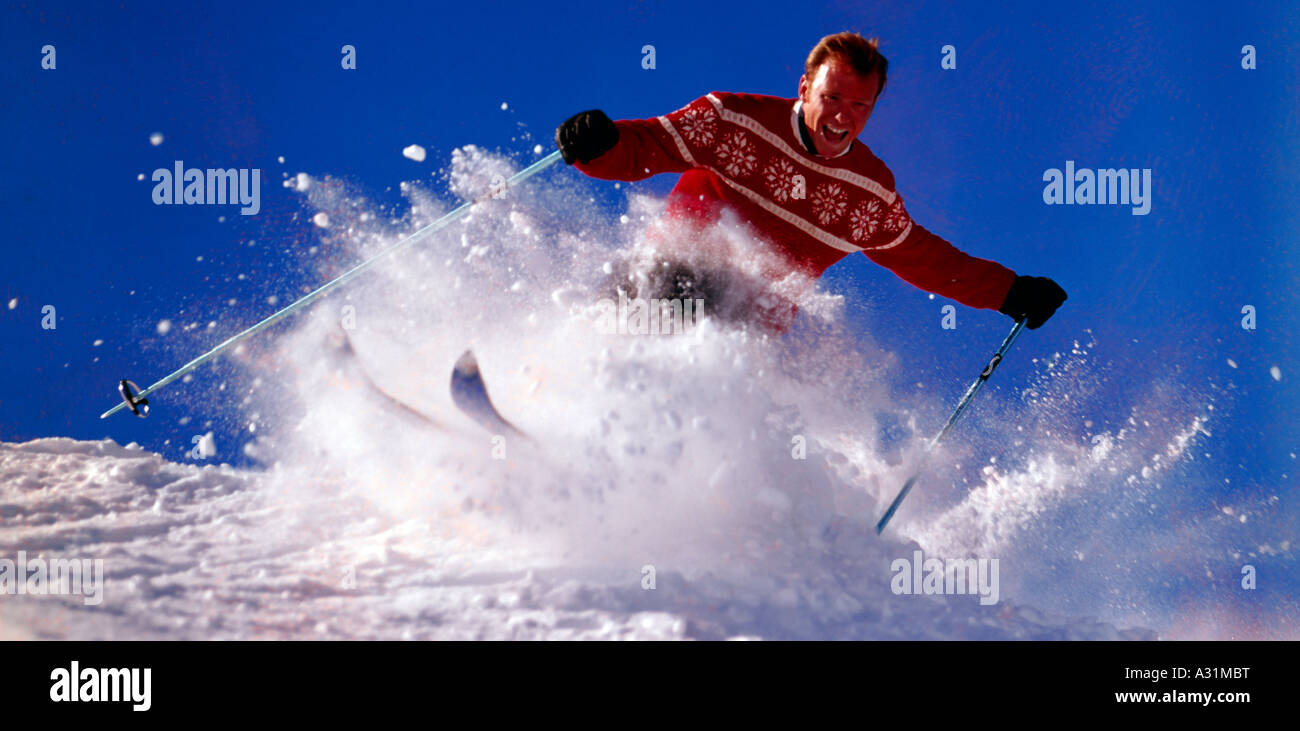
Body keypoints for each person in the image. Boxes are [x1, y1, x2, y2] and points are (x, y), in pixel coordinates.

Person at [556, 31, 1066, 333]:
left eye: (859, 105)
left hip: (747, 324)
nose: (843, 116)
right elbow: (642, 148)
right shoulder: (731, 119)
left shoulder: (867, 194)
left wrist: (1008, 292)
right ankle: (573, 387)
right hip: (670, 276)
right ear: (805, 88)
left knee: (744, 335)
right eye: (833, 98)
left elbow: (928, 260)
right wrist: (596, 144)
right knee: (677, 286)